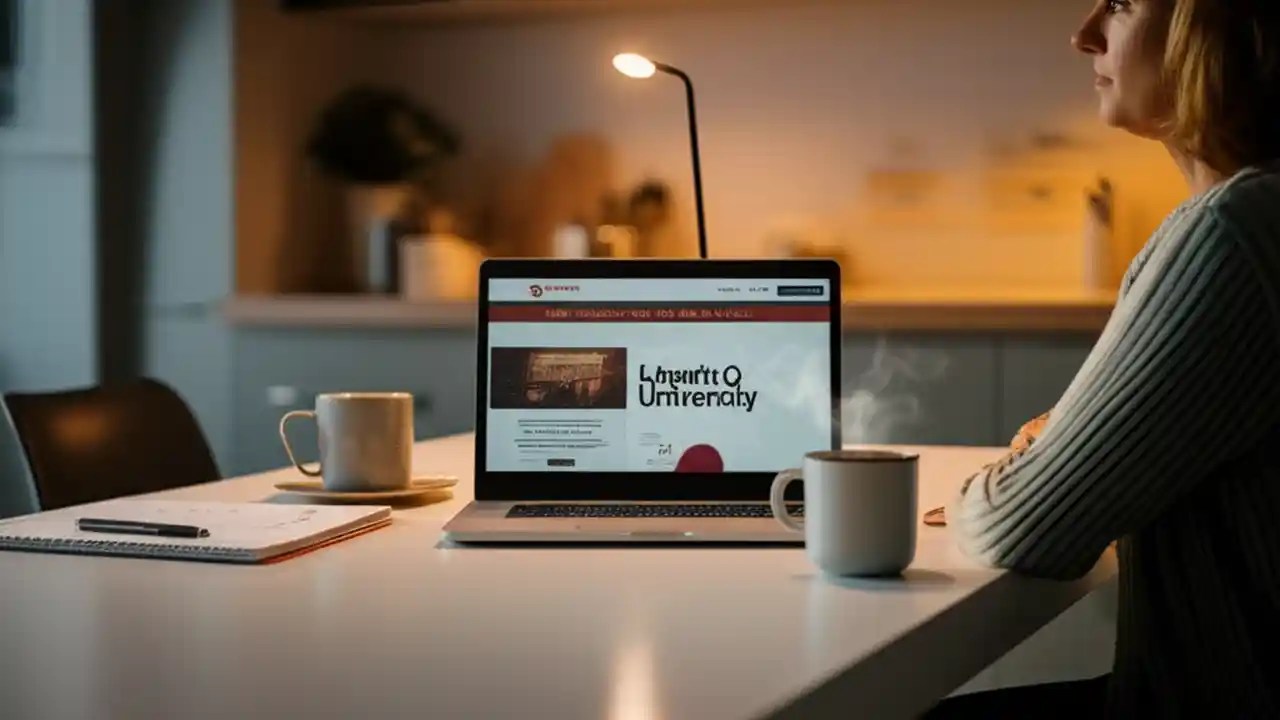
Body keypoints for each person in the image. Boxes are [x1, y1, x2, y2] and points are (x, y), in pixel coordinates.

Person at [928, 1, 1280, 716]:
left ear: (1205, 25)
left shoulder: (1230, 234)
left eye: (1120, 4)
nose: (1083, 33)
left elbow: (1019, 528)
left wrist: (994, 480)